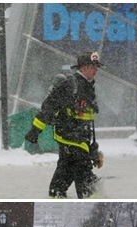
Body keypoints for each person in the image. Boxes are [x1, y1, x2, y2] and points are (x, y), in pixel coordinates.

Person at [25, 51, 104, 199]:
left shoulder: (88, 87)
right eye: (93, 66)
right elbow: (48, 108)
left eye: (97, 67)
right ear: (84, 68)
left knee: (57, 189)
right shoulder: (70, 85)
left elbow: (86, 122)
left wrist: (92, 148)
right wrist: (35, 131)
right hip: (71, 143)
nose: (96, 70)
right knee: (86, 189)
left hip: (76, 146)